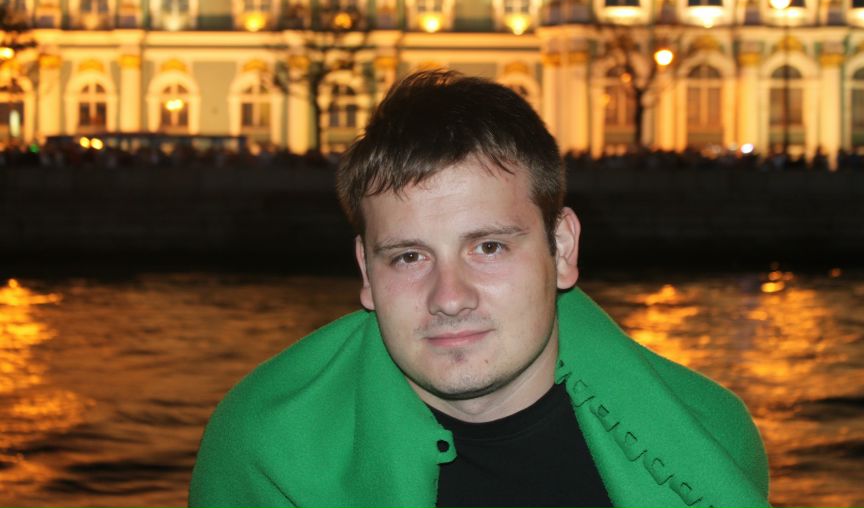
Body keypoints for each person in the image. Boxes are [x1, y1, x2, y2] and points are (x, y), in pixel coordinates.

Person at [189, 71, 771, 508]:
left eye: (488, 247)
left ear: (562, 248)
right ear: (366, 271)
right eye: (409, 257)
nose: (449, 297)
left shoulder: (712, 433)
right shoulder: (263, 446)